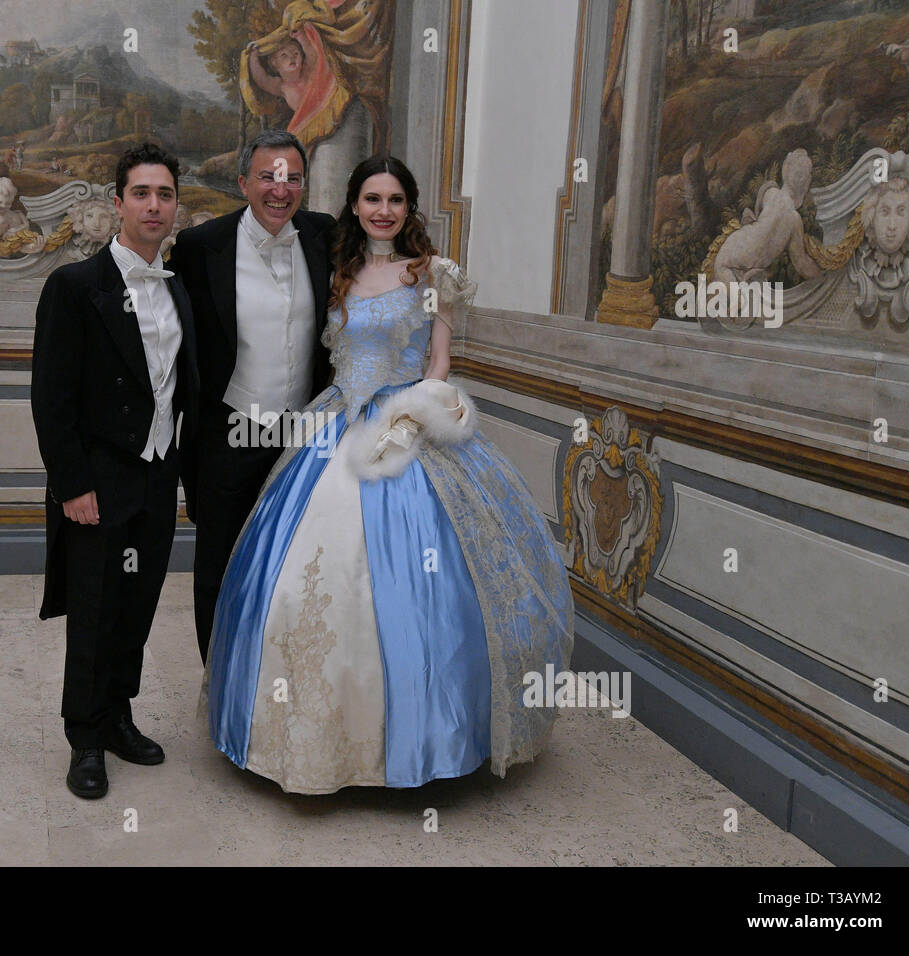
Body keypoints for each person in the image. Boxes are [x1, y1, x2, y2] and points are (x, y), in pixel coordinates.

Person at [203, 156, 576, 794]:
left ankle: (429, 738)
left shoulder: (432, 273)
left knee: (427, 586)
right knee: (301, 582)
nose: (383, 210)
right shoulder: (339, 271)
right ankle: (307, 738)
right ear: (353, 205)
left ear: (410, 208)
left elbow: (439, 363)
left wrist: (405, 423)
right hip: (331, 427)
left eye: (395, 200)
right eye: (372, 198)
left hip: (405, 427)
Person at [31, 142, 199, 800]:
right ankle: (85, 738)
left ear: (175, 205)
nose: (154, 205)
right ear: (118, 202)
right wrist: (72, 486)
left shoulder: (178, 287)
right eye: (141, 193)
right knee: (95, 611)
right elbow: (52, 398)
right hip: (98, 482)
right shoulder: (75, 287)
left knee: (137, 605)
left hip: (157, 477)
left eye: (164, 194)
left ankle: (120, 715)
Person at [168, 130, 337, 664]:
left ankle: (273, 688)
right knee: (219, 568)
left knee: (294, 565)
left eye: (291, 178)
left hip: (304, 439)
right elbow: (177, 346)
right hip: (228, 434)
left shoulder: (325, 236)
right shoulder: (200, 248)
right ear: (243, 182)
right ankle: (219, 687)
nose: (279, 189)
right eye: (267, 176)